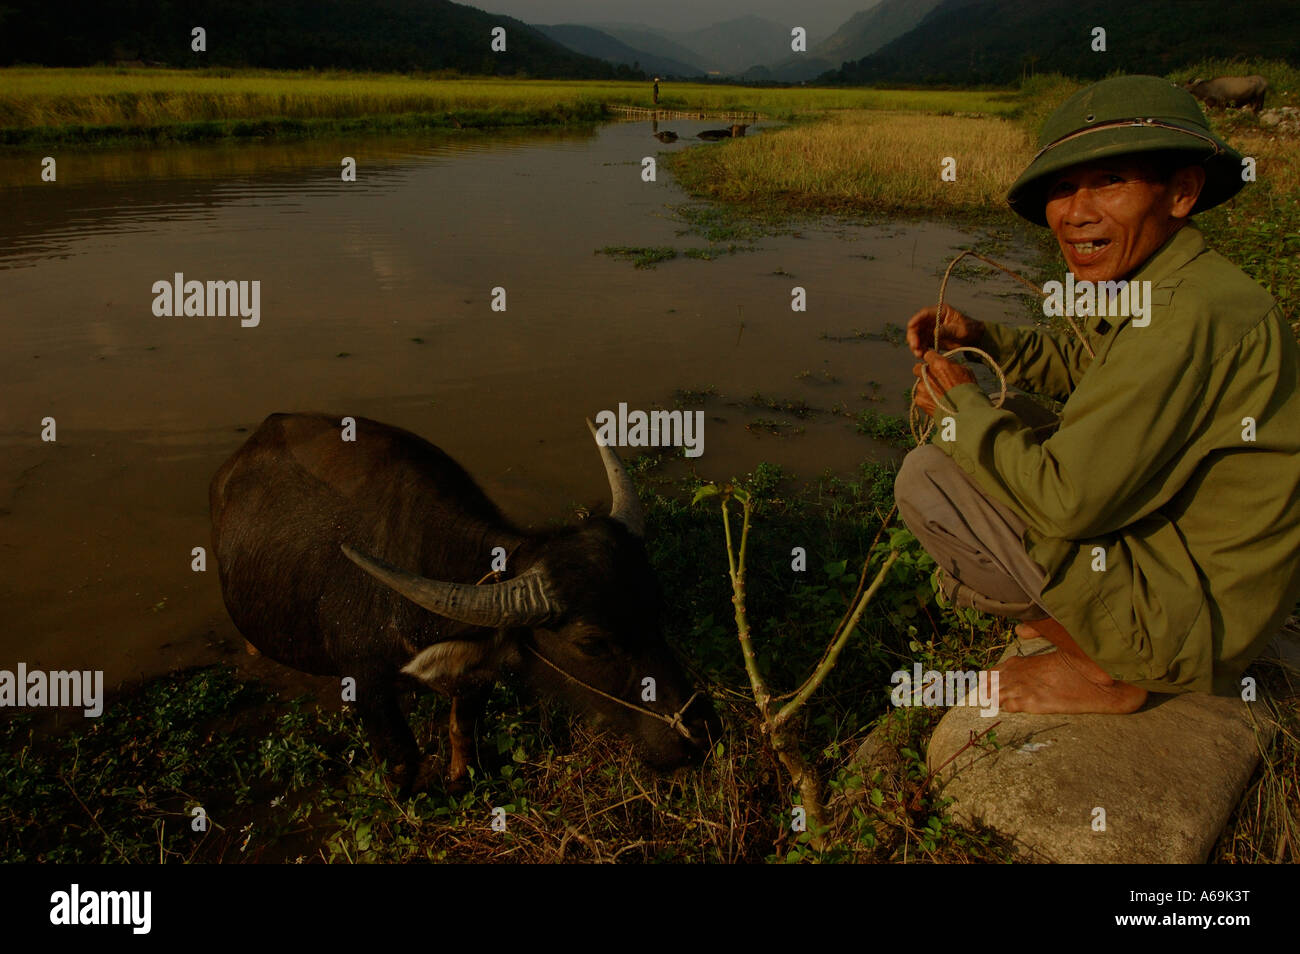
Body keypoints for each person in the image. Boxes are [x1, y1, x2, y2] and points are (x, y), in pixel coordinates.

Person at [894, 74, 1300, 714]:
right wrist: (983, 339)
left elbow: (1069, 505)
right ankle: (1090, 620)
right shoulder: (1179, 285)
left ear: (1183, 192)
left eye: (1109, 181)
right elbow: (1092, 368)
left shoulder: (1179, 317)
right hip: (1195, 570)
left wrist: (959, 408)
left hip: (1193, 618)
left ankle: (1110, 668)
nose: (1076, 212)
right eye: (1061, 188)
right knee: (1013, 419)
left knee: (931, 475)